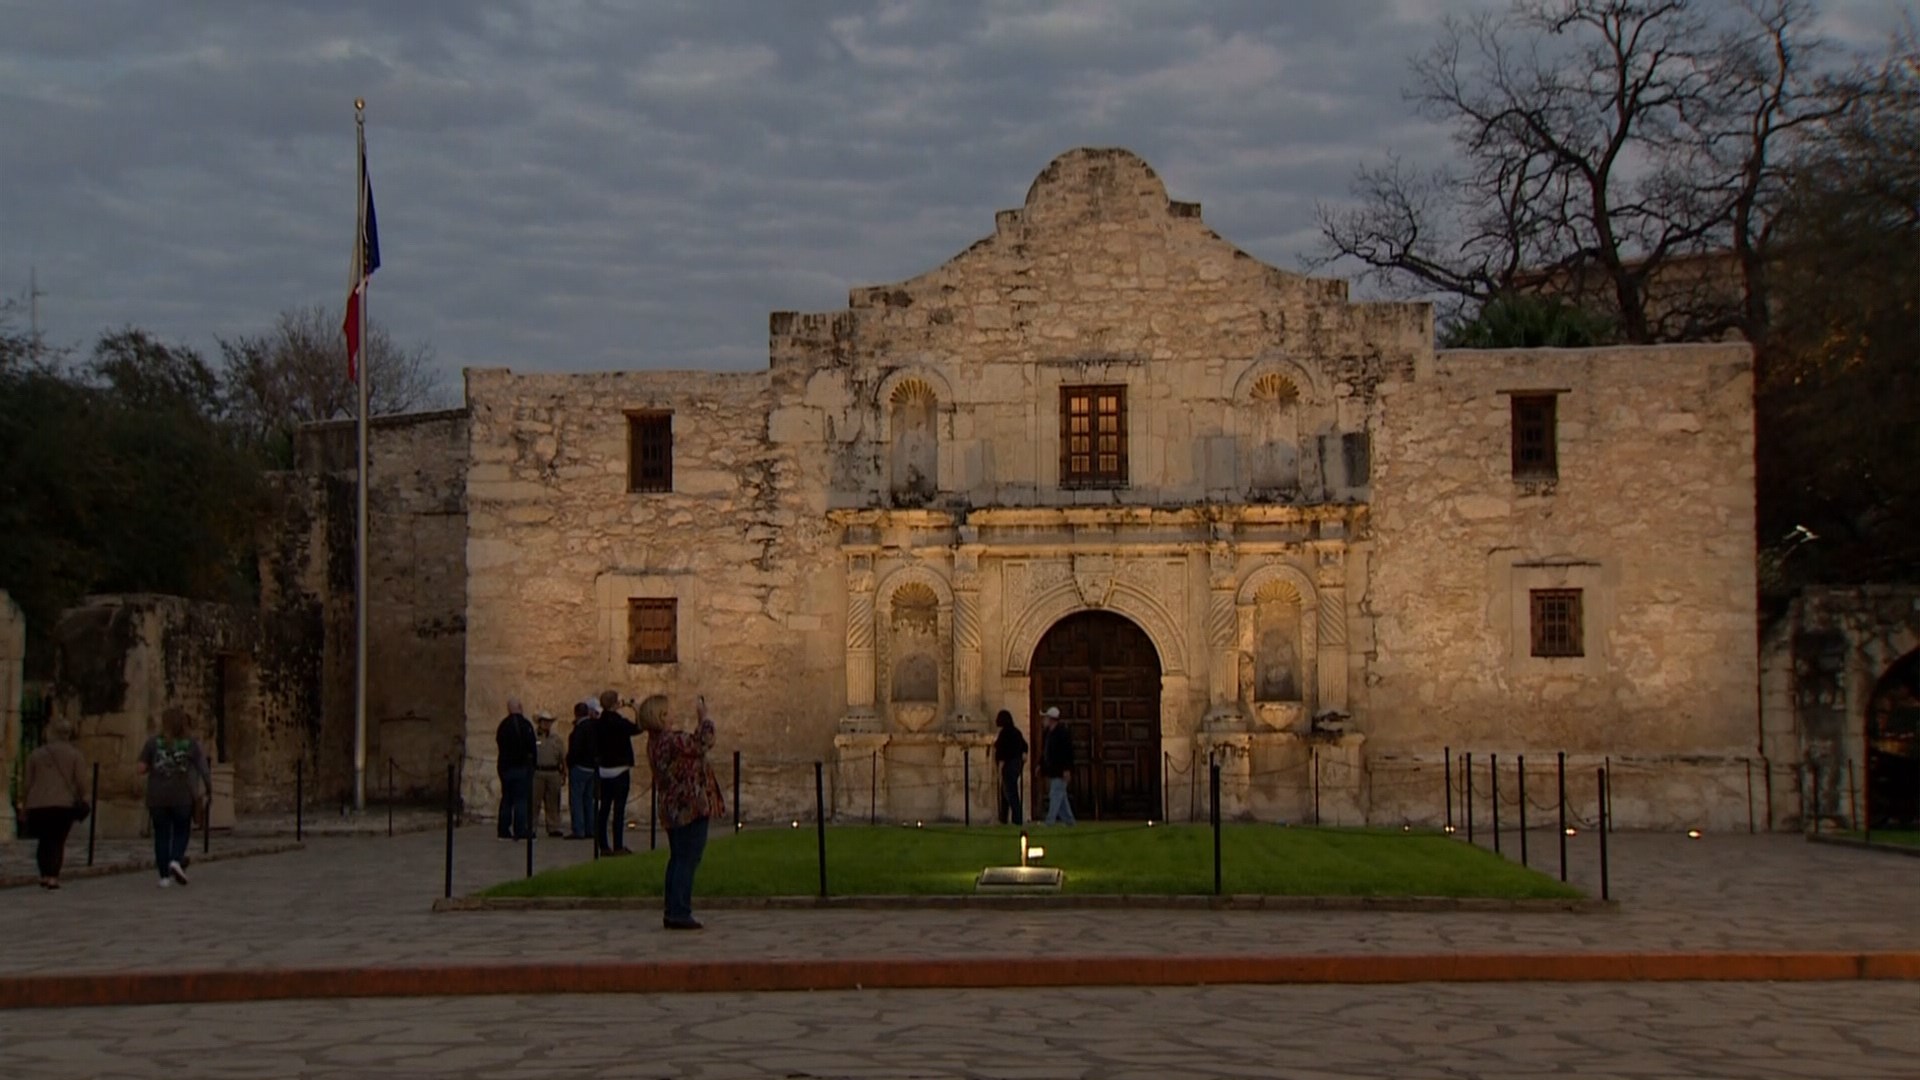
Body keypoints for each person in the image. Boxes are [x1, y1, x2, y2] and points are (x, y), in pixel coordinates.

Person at [637, 693, 724, 930]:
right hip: (689, 806)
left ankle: (673, 909)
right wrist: (704, 718)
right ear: (660, 716)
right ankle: (679, 911)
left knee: (678, 858)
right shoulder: (671, 741)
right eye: (668, 712)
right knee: (687, 859)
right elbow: (703, 742)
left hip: (672, 806)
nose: (672, 715)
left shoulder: (656, 742)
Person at [137, 706, 212, 887]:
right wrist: (209, 788)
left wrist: (154, 766)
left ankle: (164, 877)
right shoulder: (191, 744)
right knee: (181, 830)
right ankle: (176, 859)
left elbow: (141, 768)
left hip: (157, 796)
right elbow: (203, 768)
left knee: (161, 835)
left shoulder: (153, 743)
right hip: (182, 795)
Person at [21, 718, 90, 890]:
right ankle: (53, 876)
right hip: (63, 804)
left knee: (44, 840)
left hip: (38, 804)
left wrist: (24, 803)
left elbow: (27, 782)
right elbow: (81, 782)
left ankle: (44, 874)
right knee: (57, 841)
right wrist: (83, 797)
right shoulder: (75, 755)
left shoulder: (35, 754)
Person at [594, 689, 641, 854]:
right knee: (619, 810)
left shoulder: (599, 722)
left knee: (604, 809)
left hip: (604, 770)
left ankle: (603, 845)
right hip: (620, 769)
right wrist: (635, 708)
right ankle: (618, 845)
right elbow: (638, 728)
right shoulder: (618, 721)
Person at [494, 698, 537, 840]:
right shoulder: (526, 725)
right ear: (520, 707)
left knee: (506, 799)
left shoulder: (503, 726)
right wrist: (533, 765)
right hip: (521, 767)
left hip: (506, 768)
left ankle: (503, 830)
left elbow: (500, 744)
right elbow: (532, 747)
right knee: (521, 800)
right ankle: (520, 829)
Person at [565, 700, 599, 840]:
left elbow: (575, 749)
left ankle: (579, 829)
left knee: (577, 800)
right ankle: (590, 828)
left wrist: (570, 763)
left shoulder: (580, 729)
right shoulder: (595, 727)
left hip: (580, 767)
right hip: (592, 768)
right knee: (589, 800)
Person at [532, 710, 567, 837]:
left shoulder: (556, 739)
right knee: (534, 801)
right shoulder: (533, 737)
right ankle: (531, 827)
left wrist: (564, 772)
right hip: (538, 771)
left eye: (549, 722)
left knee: (553, 801)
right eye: (544, 722)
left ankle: (553, 826)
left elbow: (563, 756)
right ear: (539, 722)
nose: (547, 724)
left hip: (553, 771)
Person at [1039, 705, 1076, 826]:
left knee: (1055, 795)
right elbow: (1045, 752)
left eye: (1045, 718)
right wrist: (1040, 765)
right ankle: (1070, 822)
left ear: (1051, 719)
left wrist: (1067, 769)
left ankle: (1049, 822)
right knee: (1061, 798)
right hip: (1053, 770)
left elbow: (1067, 753)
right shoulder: (1047, 733)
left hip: (1060, 771)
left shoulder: (1062, 733)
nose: (1043, 721)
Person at [991, 708, 1028, 826]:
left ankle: (1016, 819)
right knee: (1006, 791)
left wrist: (999, 769)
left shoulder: (1004, 734)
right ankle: (1004, 817)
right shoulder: (1016, 732)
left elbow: (1001, 753)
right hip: (1017, 765)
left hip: (1009, 766)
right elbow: (1024, 746)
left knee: (1010, 792)